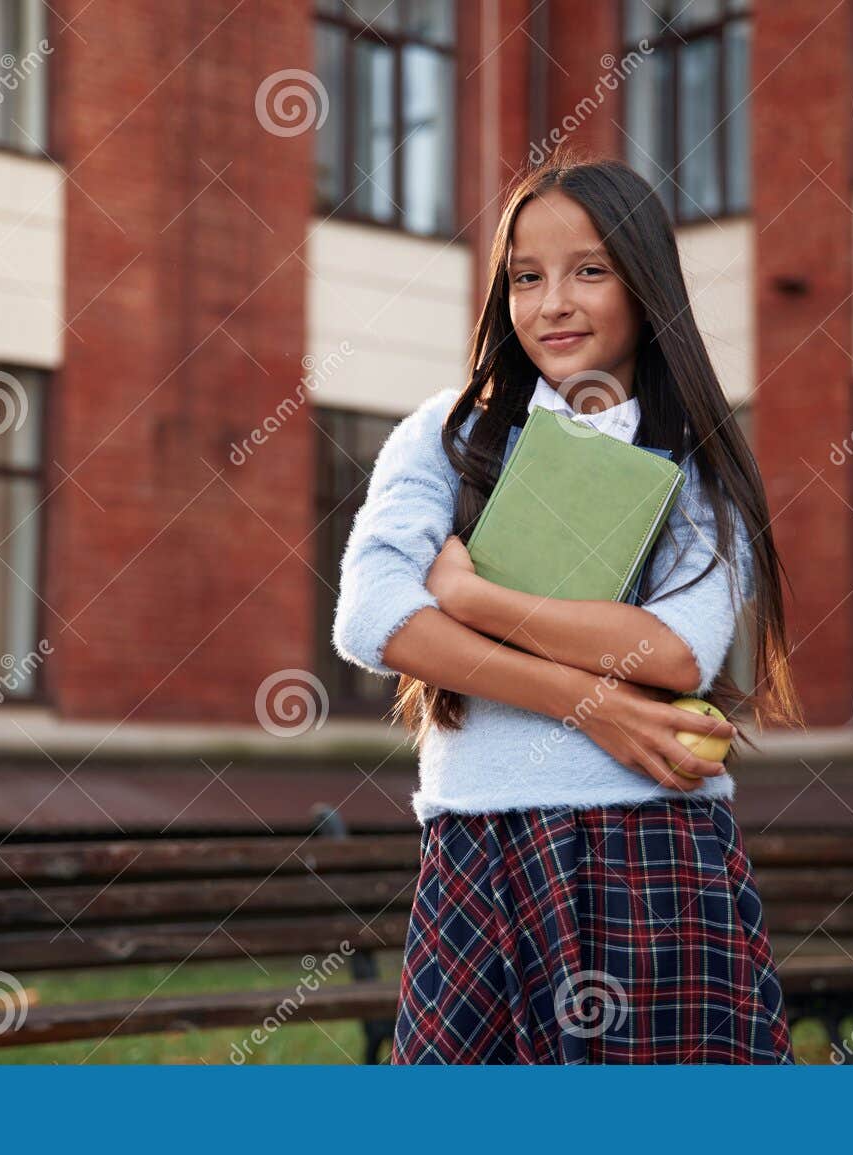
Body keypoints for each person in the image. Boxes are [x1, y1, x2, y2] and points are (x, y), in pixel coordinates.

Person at [331, 153, 802, 1064]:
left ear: (645, 284)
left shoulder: (695, 457)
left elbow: (671, 654)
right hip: (479, 844)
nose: (553, 303)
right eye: (525, 277)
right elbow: (370, 615)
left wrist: (468, 595)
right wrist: (590, 703)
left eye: (589, 270)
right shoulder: (450, 429)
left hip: (652, 850)